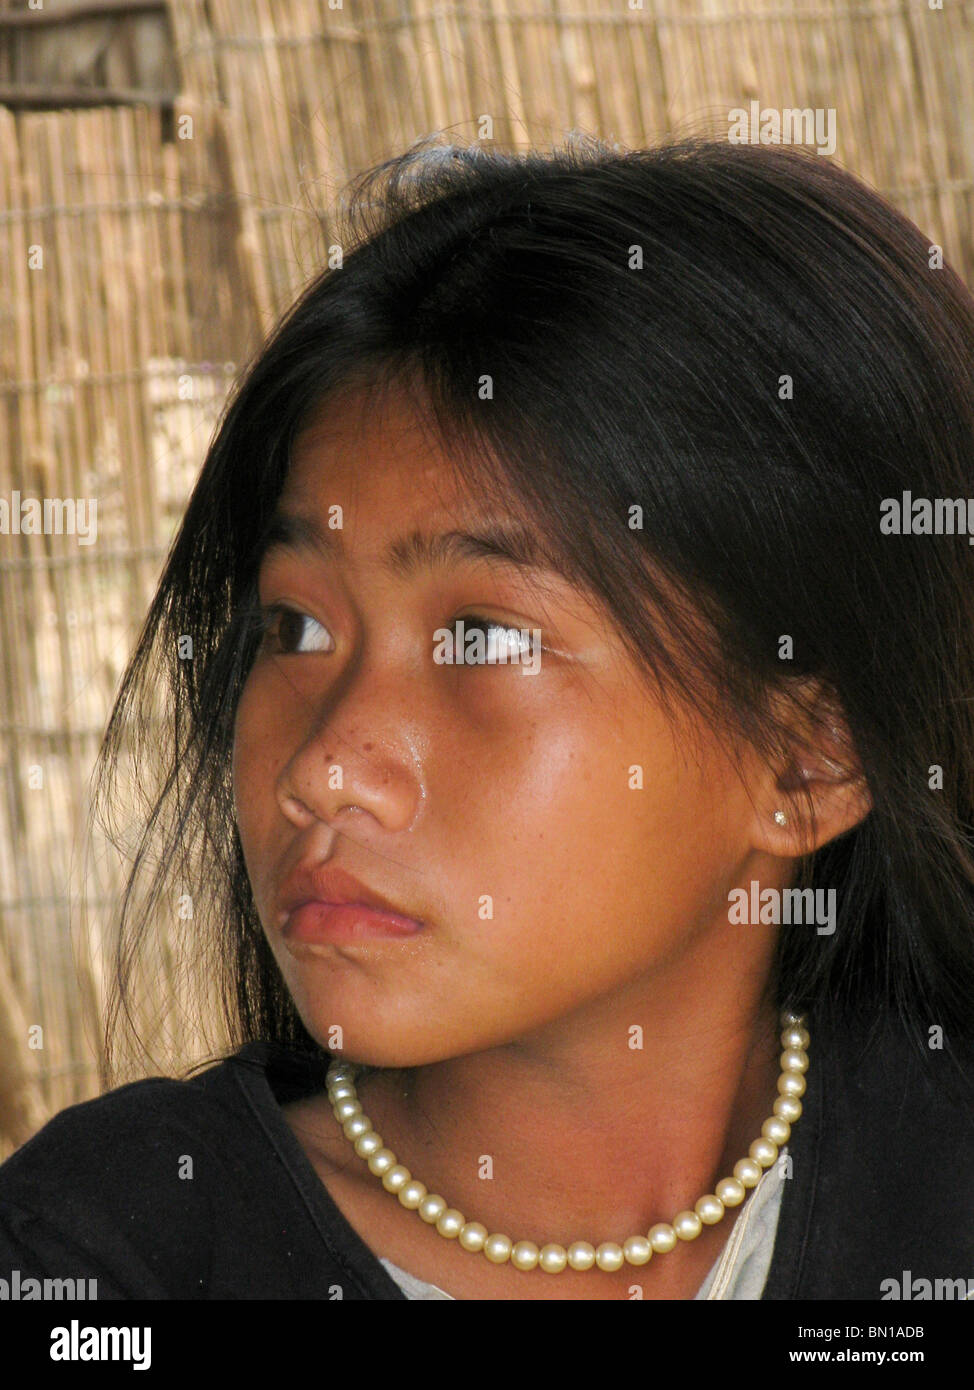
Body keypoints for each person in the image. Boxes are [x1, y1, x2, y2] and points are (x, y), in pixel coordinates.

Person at [2, 132, 973, 1302]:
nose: (324, 769)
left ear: (806, 753)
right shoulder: (99, 1267)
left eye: (483, 638)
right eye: (295, 628)